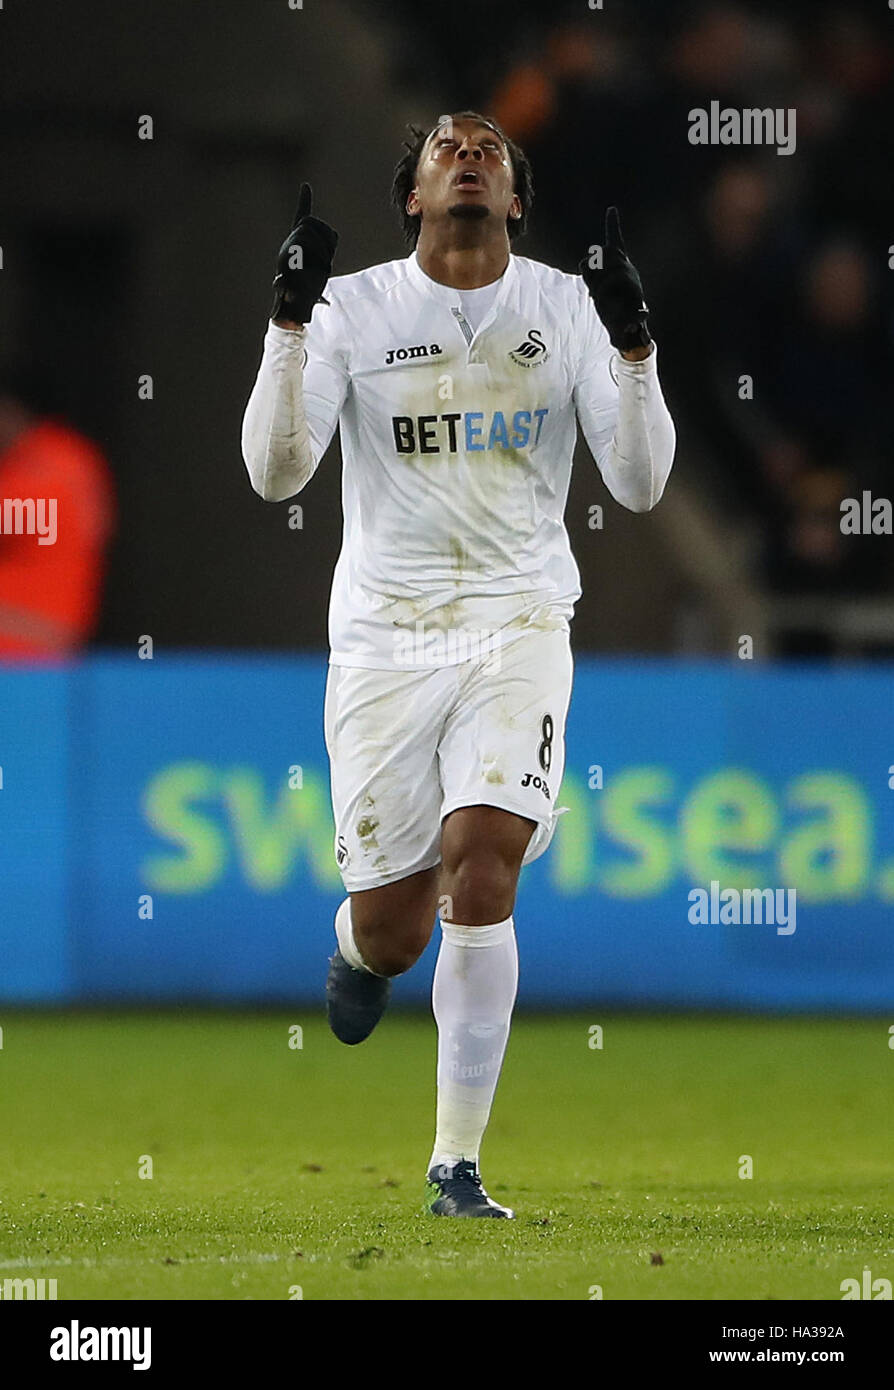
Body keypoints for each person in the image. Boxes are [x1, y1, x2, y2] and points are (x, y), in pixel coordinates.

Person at [241, 112, 675, 1217]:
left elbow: (638, 485)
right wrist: (286, 325)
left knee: (484, 863)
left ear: (516, 200)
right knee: (396, 929)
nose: (470, 154)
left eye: (490, 149)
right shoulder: (357, 308)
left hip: (517, 621)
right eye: (447, 146)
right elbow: (277, 475)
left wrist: (636, 350)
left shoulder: (564, 307)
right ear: (414, 195)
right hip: (388, 637)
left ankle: (456, 1165)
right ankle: (356, 939)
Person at [0, 369, 115, 660]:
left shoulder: (54, 464)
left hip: (27, 634)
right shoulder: (76, 458)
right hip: (50, 633)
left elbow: (20, 518)